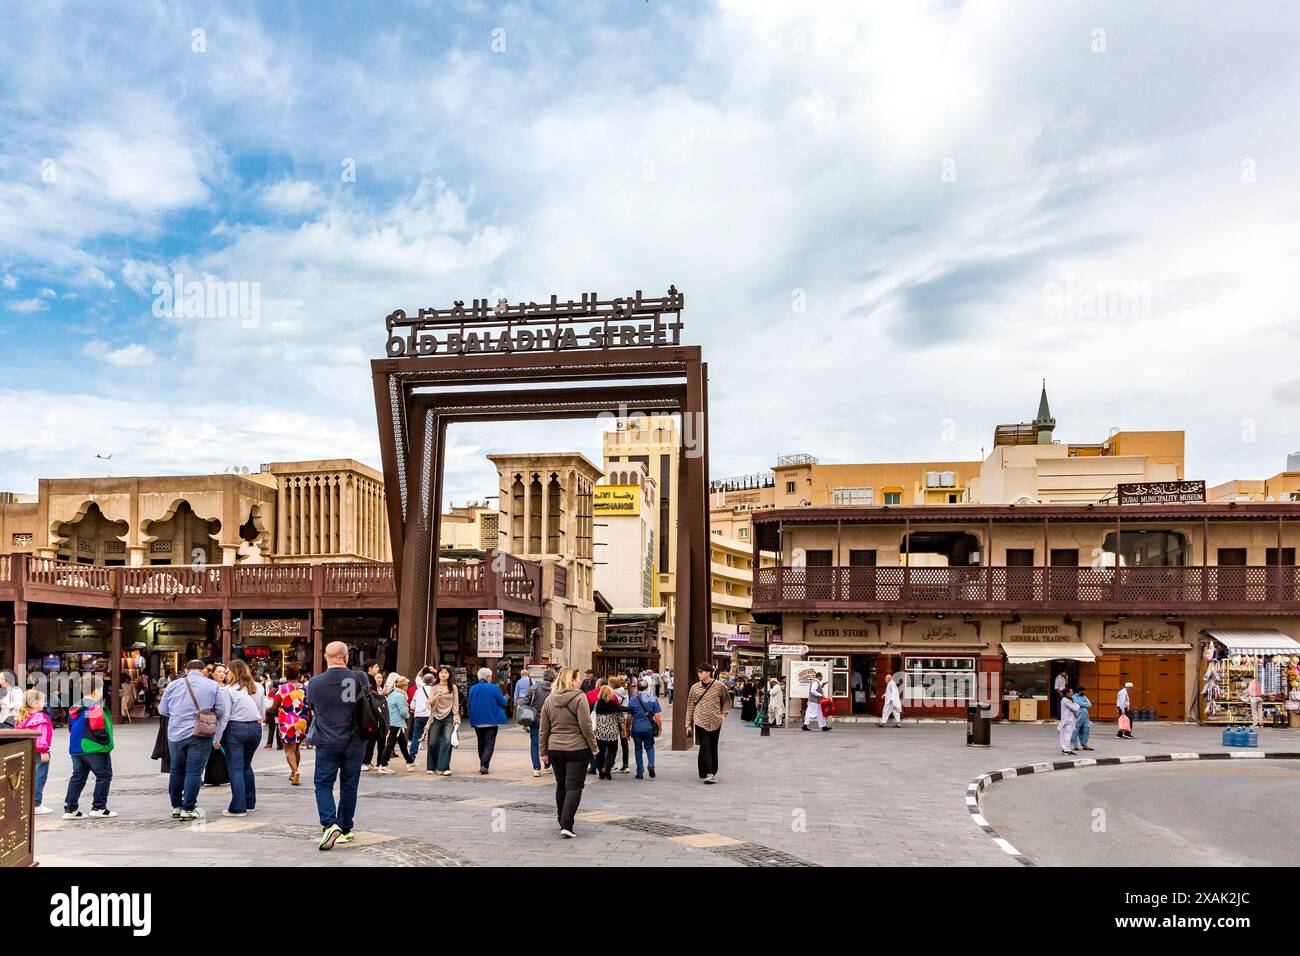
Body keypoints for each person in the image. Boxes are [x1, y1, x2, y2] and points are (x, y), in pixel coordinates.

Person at [306, 641, 366, 850]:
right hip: (354, 740)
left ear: (325, 658)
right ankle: (346, 828)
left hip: (326, 740)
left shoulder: (314, 683)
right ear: (347, 657)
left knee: (323, 784)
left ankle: (330, 824)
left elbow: (311, 706)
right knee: (349, 786)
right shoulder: (359, 677)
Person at [157, 659, 230, 820]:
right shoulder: (212, 686)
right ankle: (189, 808)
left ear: (186, 669)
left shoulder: (173, 685)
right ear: (204, 670)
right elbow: (221, 710)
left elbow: (162, 710)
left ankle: (176, 806)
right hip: (201, 734)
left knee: (176, 770)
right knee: (194, 771)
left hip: (175, 734)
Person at [538, 666, 599, 838]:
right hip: (577, 748)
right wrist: (594, 747)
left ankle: (561, 820)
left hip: (555, 749)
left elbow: (543, 729)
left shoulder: (550, 700)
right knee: (574, 786)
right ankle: (567, 823)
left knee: (561, 785)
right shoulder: (580, 697)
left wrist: (543, 751)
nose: (579, 681)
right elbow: (586, 726)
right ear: (571, 680)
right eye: (577, 678)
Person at [62, 675, 117, 819]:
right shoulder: (94, 707)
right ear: (96, 691)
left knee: (78, 777)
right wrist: (105, 742)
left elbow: (71, 727)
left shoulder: (75, 707)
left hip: (76, 748)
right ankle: (99, 807)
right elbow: (98, 728)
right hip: (94, 748)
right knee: (104, 775)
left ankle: (70, 809)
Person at [221, 659, 265, 816]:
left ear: (233, 672)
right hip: (255, 728)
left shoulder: (228, 690)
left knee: (236, 768)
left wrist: (217, 737)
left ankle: (238, 807)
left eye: (227, 670)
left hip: (235, 728)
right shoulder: (258, 687)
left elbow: (225, 715)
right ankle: (250, 801)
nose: (226, 673)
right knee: (247, 765)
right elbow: (262, 711)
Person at [685, 662, 730, 784]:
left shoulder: (719, 686)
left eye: (701, 672)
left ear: (708, 672)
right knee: (705, 745)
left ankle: (708, 771)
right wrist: (688, 724)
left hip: (715, 720)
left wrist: (723, 714)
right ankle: (710, 774)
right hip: (700, 720)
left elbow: (726, 701)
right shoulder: (694, 688)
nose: (699, 674)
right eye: (698, 672)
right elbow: (690, 706)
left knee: (712, 746)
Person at [16, 689, 54, 814]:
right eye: (42, 701)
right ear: (34, 703)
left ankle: (26, 803)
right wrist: (44, 750)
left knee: (28, 777)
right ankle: (36, 804)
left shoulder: (22, 717)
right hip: (39, 752)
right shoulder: (40, 717)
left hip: (27, 751)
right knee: (39, 777)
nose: (44, 703)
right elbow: (42, 735)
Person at [419, 666, 460, 775]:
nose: (443, 674)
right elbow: (429, 703)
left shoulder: (453, 687)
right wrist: (435, 698)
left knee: (447, 741)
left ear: (449, 675)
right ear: (438, 674)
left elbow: (455, 703)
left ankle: (443, 767)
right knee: (432, 743)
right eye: (441, 672)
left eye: (446, 673)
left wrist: (456, 716)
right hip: (435, 717)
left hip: (449, 717)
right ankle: (431, 766)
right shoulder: (434, 687)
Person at [274, 661, 310, 785]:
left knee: (289, 749)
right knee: (296, 748)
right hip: (302, 721)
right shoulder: (305, 688)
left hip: (286, 721)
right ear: (299, 675)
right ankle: (293, 773)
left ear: (286, 675)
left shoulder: (282, 689)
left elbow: (274, 706)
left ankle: (295, 771)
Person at [467, 667, 508, 775]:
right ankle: (484, 765)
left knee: (481, 742)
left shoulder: (472, 688)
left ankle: (483, 763)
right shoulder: (494, 688)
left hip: (477, 720)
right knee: (489, 743)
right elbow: (503, 703)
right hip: (491, 719)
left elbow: (469, 703)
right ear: (488, 677)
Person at [520, 668, 554, 777]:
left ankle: (536, 768)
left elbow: (525, 703)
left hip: (535, 719)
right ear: (553, 678)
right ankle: (547, 765)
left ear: (543, 676)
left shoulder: (534, 688)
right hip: (551, 720)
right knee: (549, 743)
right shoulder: (555, 689)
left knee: (535, 743)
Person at [202, 662, 231, 788]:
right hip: (211, 722)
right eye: (218, 672)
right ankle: (207, 776)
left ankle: (222, 776)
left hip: (226, 723)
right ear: (211, 673)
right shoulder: (208, 687)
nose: (222, 674)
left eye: (224, 672)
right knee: (209, 751)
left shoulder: (229, 688)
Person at [592, 685, 629, 779]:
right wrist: (624, 730)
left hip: (599, 733)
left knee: (600, 753)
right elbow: (621, 719)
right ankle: (606, 768)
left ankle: (601, 772)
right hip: (612, 733)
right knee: (612, 752)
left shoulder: (596, 704)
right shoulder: (614, 705)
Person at [378, 676, 414, 773]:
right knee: (391, 743)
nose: (408, 686)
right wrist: (408, 715)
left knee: (402, 743)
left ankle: (409, 761)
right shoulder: (401, 696)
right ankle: (383, 764)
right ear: (403, 686)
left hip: (391, 721)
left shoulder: (392, 694)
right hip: (397, 722)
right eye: (407, 684)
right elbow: (403, 712)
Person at [627, 678, 662, 779]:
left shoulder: (633, 700)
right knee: (650, 747)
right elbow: (658, 716)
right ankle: (651, 764)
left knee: (638, 749)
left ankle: (640, 772)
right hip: (648, 728)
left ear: (637, 688)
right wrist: (660, 728)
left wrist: (627, 730)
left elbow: (629, 717)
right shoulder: (652, 698)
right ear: (647, 688)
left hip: (636, 728)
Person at [409, 668, 435, 764]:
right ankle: (431, 759)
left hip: (418, 716)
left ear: (423, 681)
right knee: (432, 737)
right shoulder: (434, 691)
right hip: (430, 716)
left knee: (416, 737)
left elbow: (412, 705)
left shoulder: (418, 691)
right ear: (433, 681)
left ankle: (412, 757)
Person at [609, 675, 632, 773]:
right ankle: (626, 764)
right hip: (625, 718)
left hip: (616, 719)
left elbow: (614, 707)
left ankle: (612, 764)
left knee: (612, 742)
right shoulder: (625, 692)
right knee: (624, 742)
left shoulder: (614, 694)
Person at [1071, 686, 1094, 752]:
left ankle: (1084, 745)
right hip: (1078, 715)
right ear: (1079, 691)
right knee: (1076, 730)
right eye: (1083, 691)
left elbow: (1089, 704)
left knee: (1086, 729)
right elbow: (1078, 703)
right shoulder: (1074, 697)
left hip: (1085, 716)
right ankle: (1075, 745)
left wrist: (1083, 704)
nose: (1084, 692)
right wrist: (1084, 704)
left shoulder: (1084, 697)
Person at [1058, 686, 1080, 755]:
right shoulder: (1066, 700)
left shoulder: (1070, 699)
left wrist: (1075, 707)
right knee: (1066, 735)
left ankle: (1066, 749)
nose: (1072, 692)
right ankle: (1066, 749)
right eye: (1071, 691)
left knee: (1067, 735)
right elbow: (1075, 708)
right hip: (1067, 720)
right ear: (1067, 693)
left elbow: (1077, 706)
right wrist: (1075, 707)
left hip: (1070, 720)